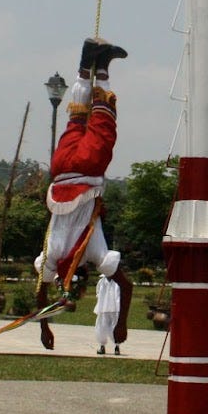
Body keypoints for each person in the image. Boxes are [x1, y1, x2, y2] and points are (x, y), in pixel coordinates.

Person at [35, 37, 133, 351]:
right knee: (76, 120)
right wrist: (43, 328)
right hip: (60, 168)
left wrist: (122, 323)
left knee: (104, 125)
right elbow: (41, 290)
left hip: (85, 171)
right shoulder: (51, 256)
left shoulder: (94, 253)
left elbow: (126, 286)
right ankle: (89, 61)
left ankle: (101, 69)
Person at [93, 270, 122, 355]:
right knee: (101, 327)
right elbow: (97, 292)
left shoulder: (118, 281)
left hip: (115, 309)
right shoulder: (101, 281)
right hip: (103, 308)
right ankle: (102, 346)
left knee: (115, 328)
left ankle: (117, 347)